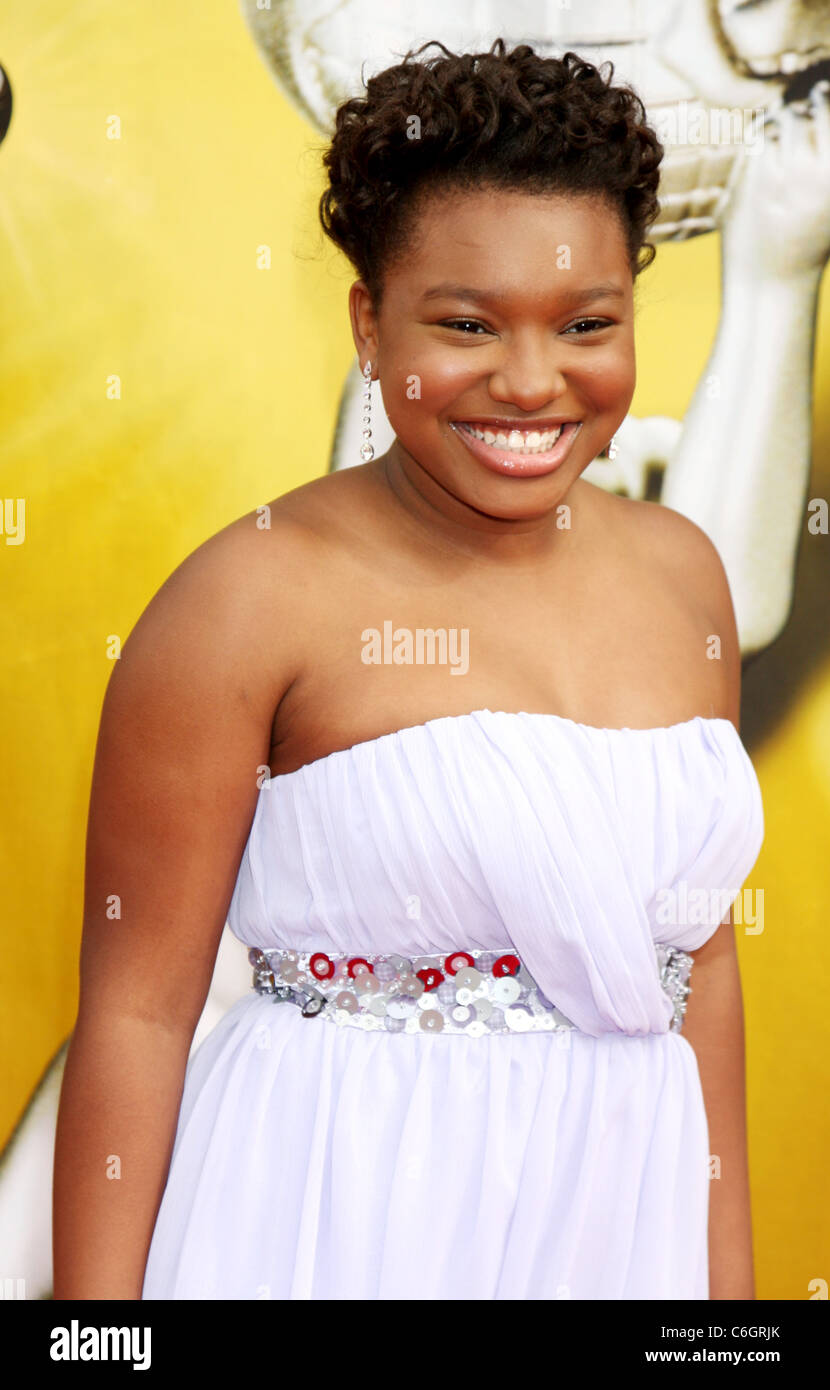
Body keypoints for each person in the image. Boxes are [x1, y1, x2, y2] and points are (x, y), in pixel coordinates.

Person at [52, 38, 764, 1301]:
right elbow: (139, 1014)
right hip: (327, 1218)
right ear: (369, 321)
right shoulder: (242, 598)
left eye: (586, 323)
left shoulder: (682, 576)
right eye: (466, 324)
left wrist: (723, 1311)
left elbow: (694, 968)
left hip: (613, 1225)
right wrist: (92, 1336)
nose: (533, 381)